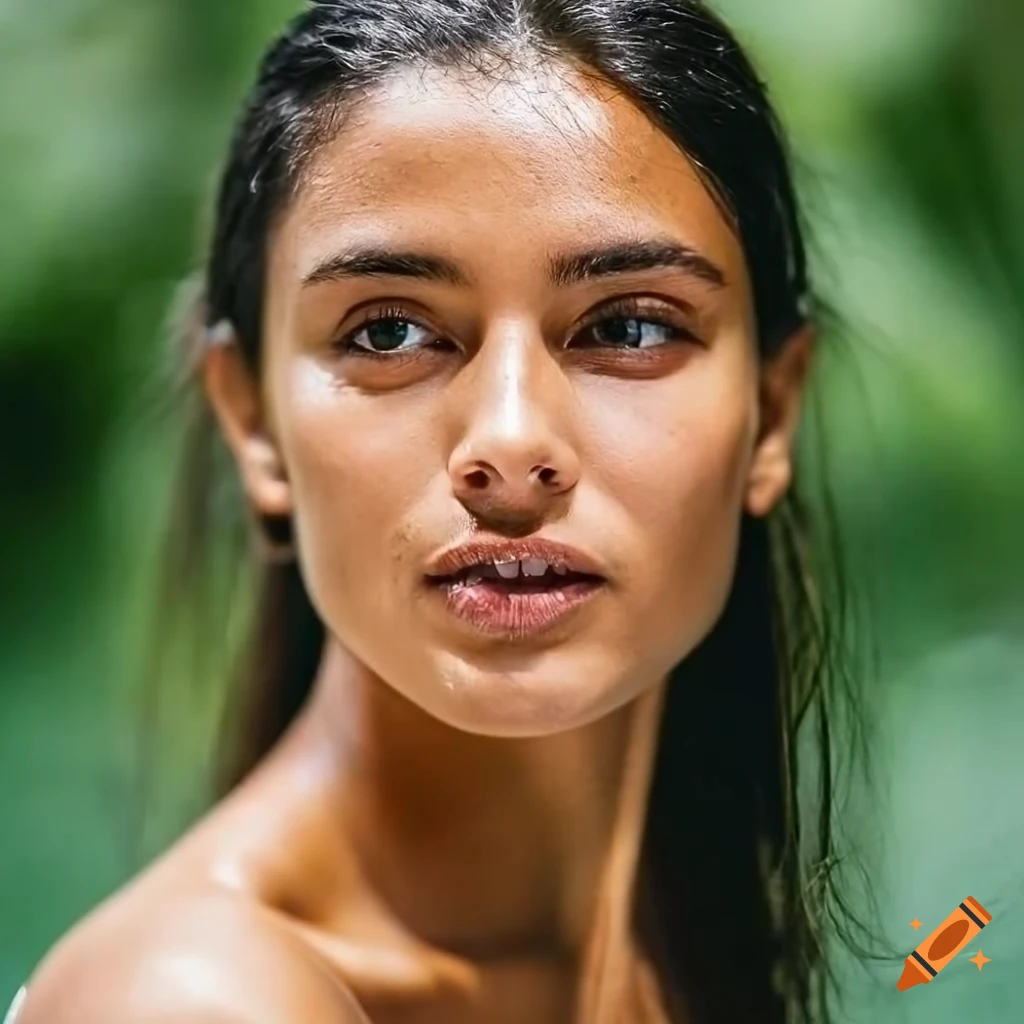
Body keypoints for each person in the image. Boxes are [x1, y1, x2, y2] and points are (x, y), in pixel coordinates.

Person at [11, 0, 863, 1021]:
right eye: (386, 334)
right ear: (254, 421)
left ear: (772, 411)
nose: (507, 444)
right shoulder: (193, 1000)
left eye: (628, 325)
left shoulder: (668, 953)